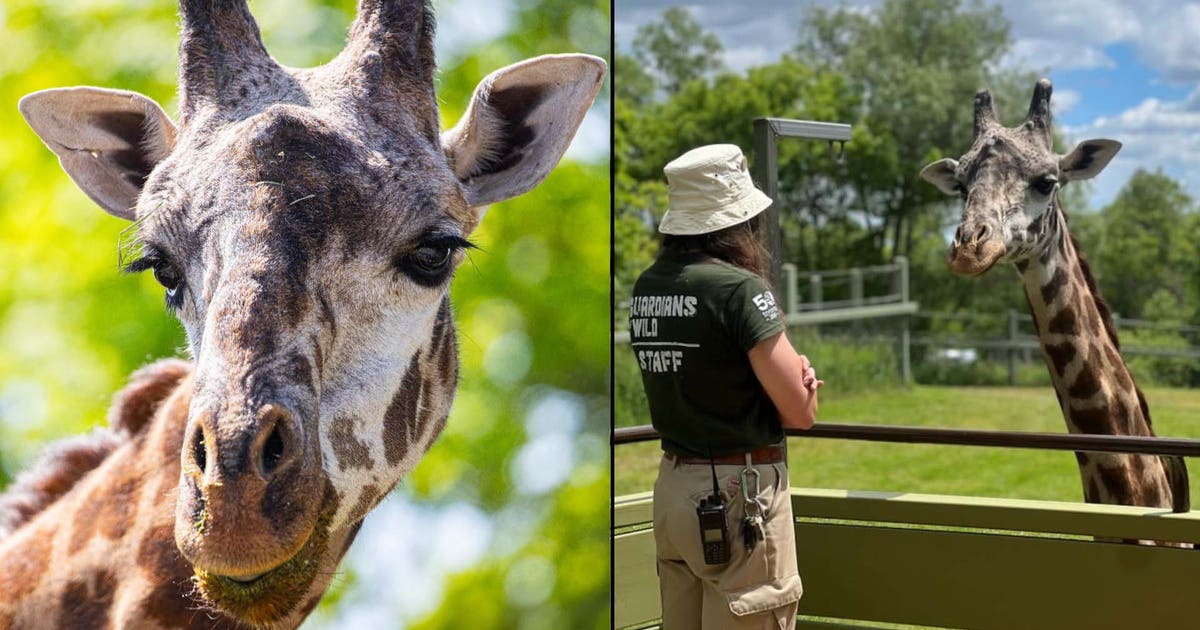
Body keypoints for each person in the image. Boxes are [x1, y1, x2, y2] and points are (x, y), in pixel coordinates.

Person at [629, 144, 822, 629]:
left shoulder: (649, 286)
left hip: (673, 489)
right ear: (738, 221)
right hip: (741, 498)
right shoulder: (740, 290)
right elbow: (800, 412)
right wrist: (807, 378)